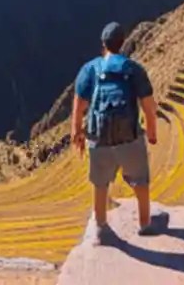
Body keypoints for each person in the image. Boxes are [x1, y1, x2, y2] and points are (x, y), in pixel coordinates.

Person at [71, 21, 161, 244]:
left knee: (100, 183)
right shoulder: (134, 69)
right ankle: (145, 223)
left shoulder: (90, 69)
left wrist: (77, 133)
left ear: (103, 43)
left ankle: (101, 227)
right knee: (140, 180)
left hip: (98, 137)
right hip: (129, 136)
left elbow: (79, 105)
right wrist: (151, 132)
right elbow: (149, 106)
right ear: (123, 42)